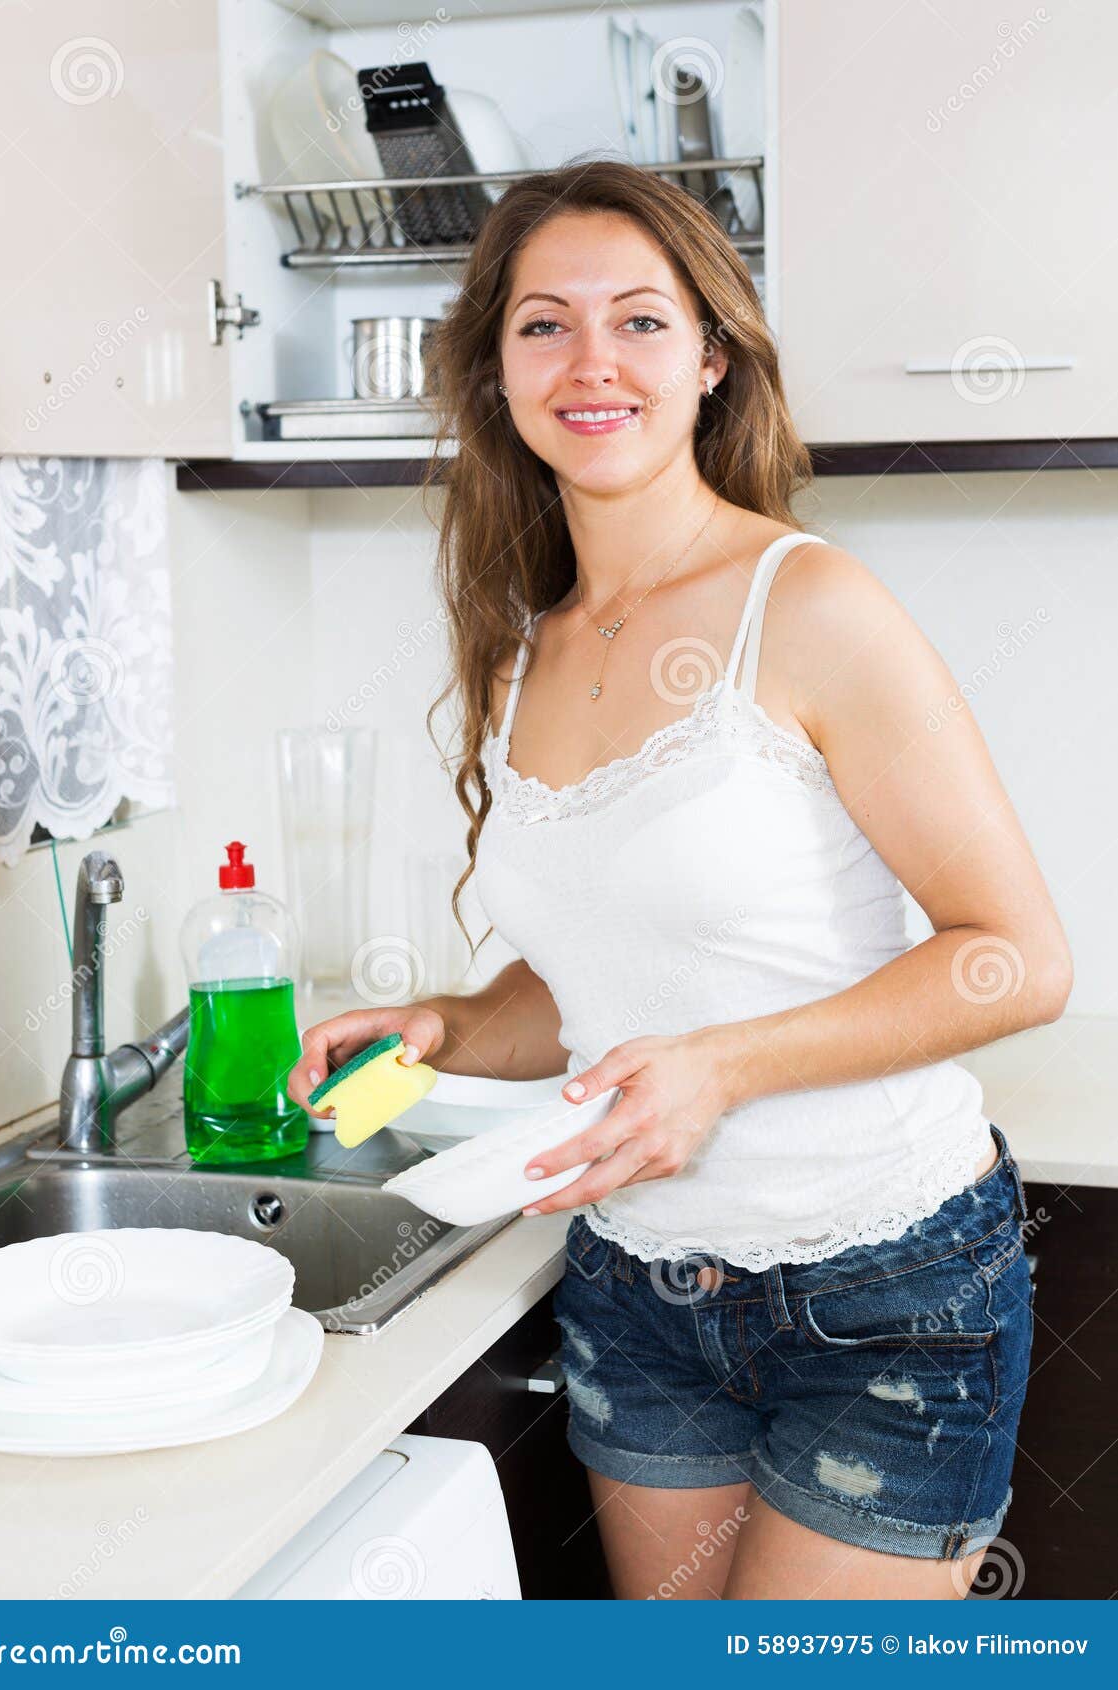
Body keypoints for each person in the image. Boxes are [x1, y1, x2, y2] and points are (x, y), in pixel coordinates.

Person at [288, 161, 1072, 1600]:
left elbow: (1013, 956)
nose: (591, 362)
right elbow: (594, 969)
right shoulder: (529, 644)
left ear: (710, 358)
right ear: (491, 372)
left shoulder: (812, 605)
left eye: (639, 320)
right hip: (637, 1290)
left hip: (884, 1287)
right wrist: (450, 1028)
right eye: (543, 325)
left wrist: (726, 1067)